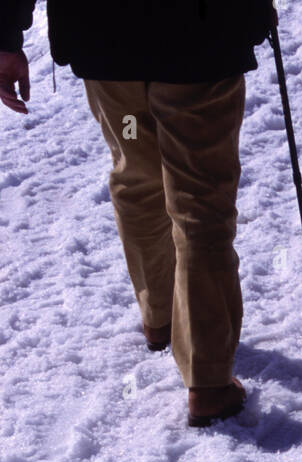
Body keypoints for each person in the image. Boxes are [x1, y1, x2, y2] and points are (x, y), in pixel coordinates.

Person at [0, 1, 275, 427]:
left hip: (108, 47)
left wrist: (5, 34)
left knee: (139, 176)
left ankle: (160, 316)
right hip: (200, 44)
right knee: (200, 202)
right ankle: (207, 380)